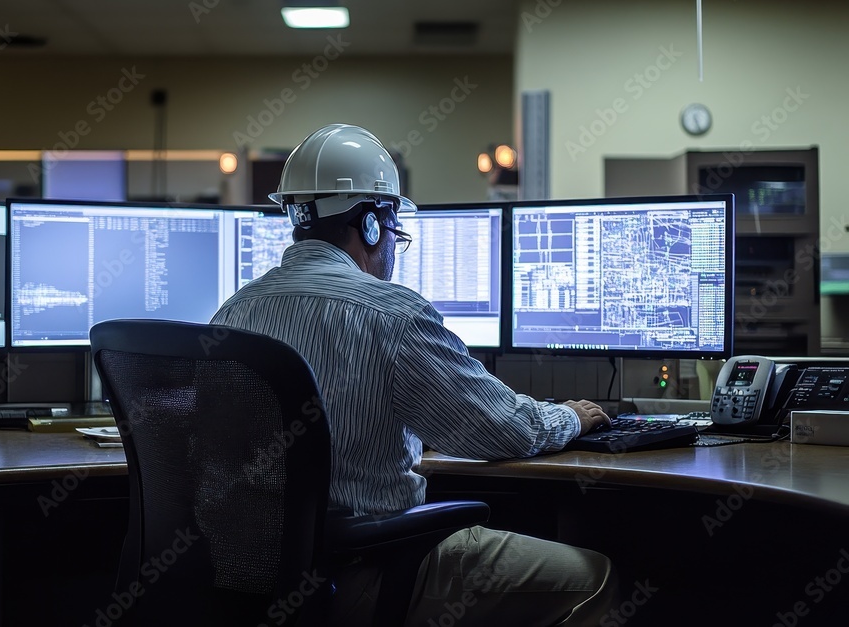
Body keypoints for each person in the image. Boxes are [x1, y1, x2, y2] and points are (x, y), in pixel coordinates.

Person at [211, 124, 615, 626]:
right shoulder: (391, 314)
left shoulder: (230, 314)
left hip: (249, 585)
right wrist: (570, 418)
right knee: (593, 576)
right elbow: (500, 428)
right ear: (373, 224)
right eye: (394, 232)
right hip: (368, 572)